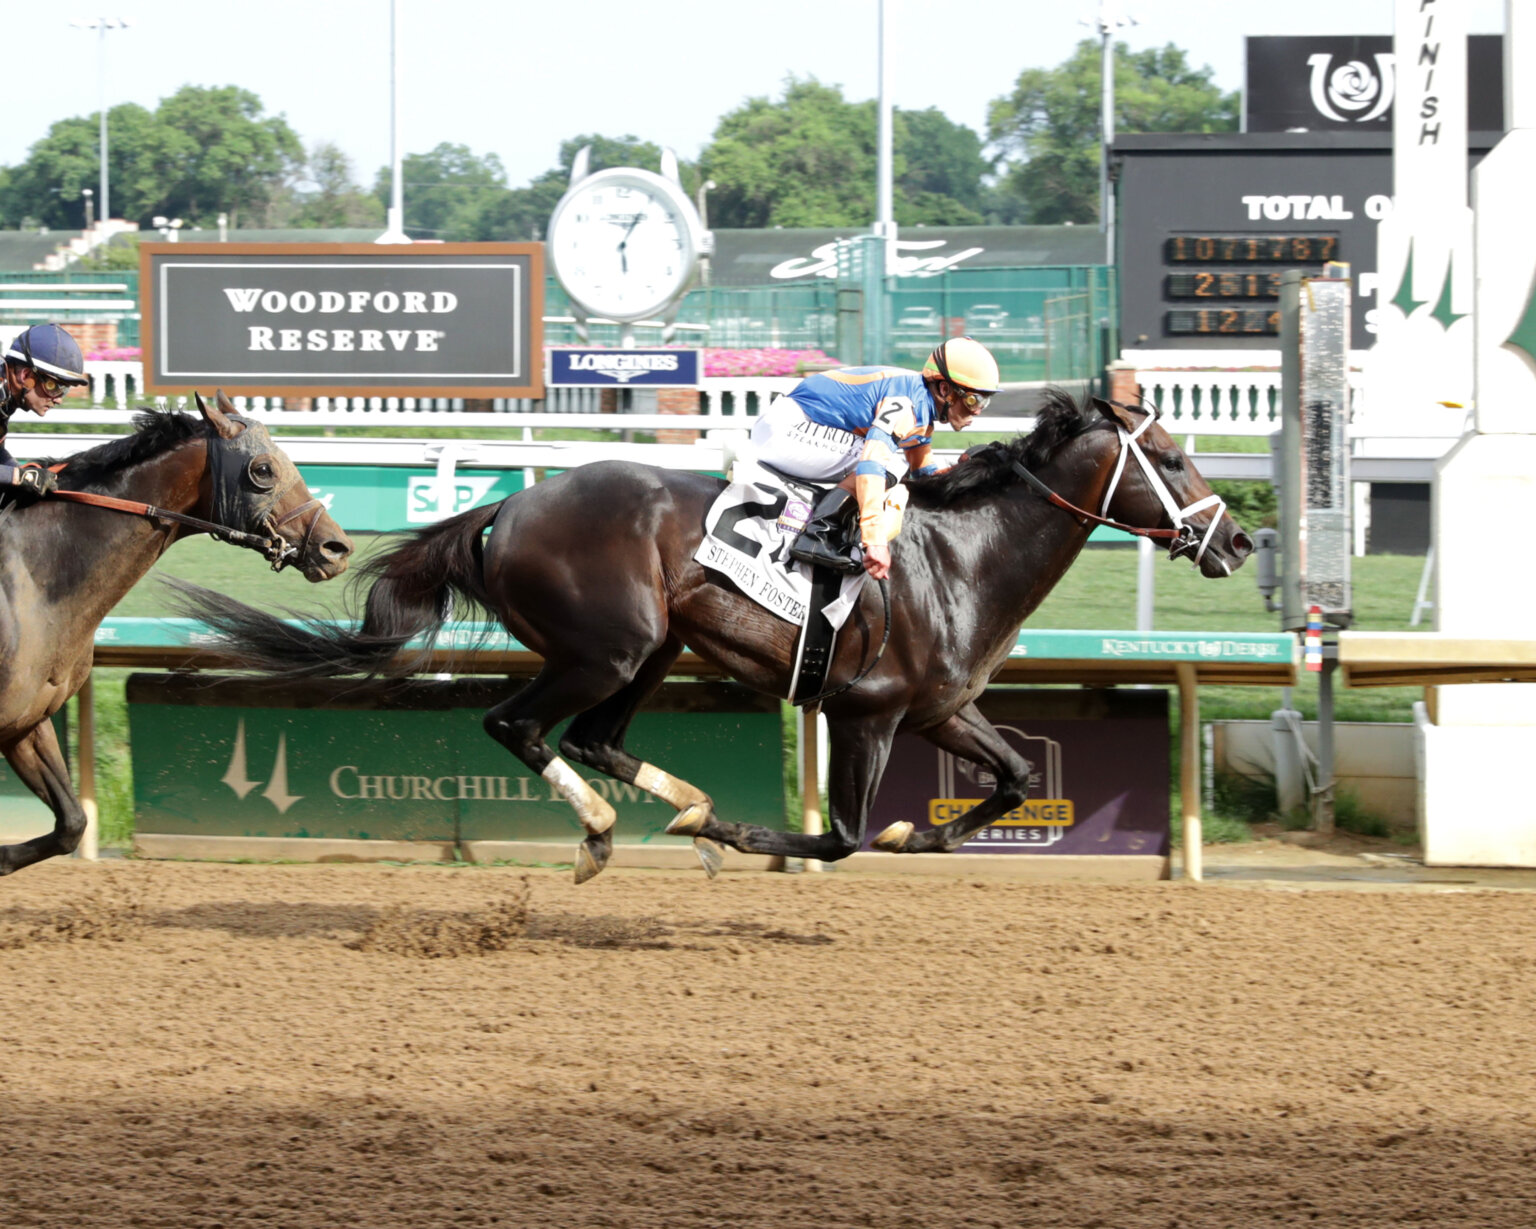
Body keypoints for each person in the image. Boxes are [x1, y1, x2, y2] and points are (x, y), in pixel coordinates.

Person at [749, 336, 1001, 580]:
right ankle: (819, 534)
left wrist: (965, 472)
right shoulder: (907, 406)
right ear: (945, 389)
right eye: (972, 399)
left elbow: (923, 473)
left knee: (895, 466)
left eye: (985, 402)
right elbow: (872, 465)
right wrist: (876, 541)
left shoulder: (922, 406)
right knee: (889, 463)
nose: (977, 410)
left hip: (789, 427)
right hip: (786, 430)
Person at [0, 323, 90, 502]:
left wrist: (22, 470)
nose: (58, 399)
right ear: (26, 376)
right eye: (54, 387)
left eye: (64, 390)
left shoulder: (7, 394)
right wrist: (19, 476)